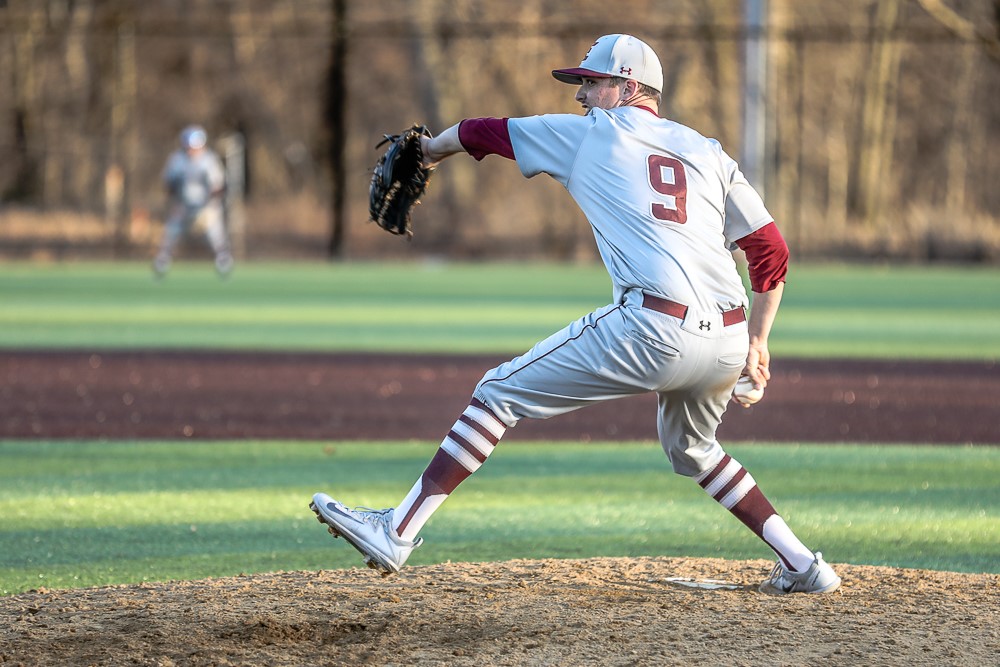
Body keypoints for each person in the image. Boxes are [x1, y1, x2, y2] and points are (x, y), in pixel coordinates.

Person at [311, 34, 841, 595]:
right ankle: (804, 564)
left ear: (628, 87)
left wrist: (430, 150)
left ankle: (397, 530)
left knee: (497, 392)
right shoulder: (708, 151)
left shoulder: (593, 135)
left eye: (591, 82)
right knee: (694, 450)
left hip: (653, 327)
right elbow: (771, 250)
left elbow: (482, 131)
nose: (582, 94)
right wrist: (759, 343)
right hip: (728, 342)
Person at [153, 125, 234, 277]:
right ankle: (162, 260)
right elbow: (168, 184)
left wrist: (210, 199)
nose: (192, 151)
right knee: (171, 231)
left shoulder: (209, 160)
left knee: (214, 232)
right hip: (183, 204)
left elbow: (219, 186)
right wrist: (176, 195)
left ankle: (223, 259)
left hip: (205, 205)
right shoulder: (177, 160)